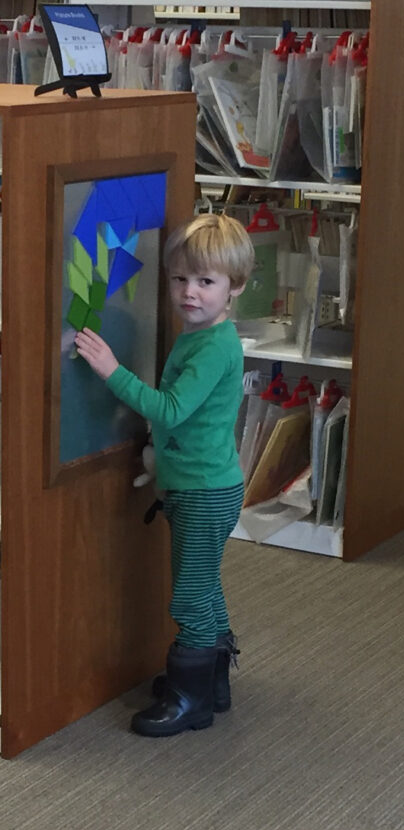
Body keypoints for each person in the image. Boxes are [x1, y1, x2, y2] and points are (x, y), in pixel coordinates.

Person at [75, 213, 255, 738]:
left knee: (189, 596)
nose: (189, 293)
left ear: (234, 288)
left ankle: (189, 698)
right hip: (195, 486)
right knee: (205, 587)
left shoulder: (214, 346)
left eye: (206, 282)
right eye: (180, 279)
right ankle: (211, 682)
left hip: (204, 491)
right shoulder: (199, 335)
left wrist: (112, 370)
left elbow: (170, 409)